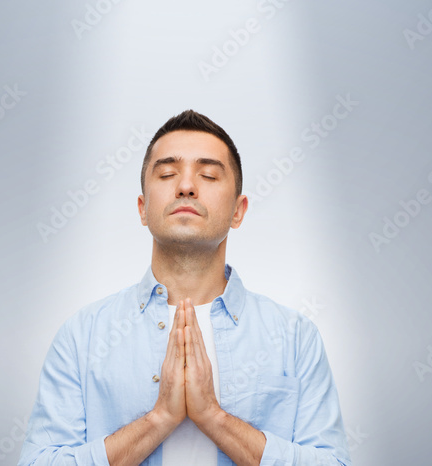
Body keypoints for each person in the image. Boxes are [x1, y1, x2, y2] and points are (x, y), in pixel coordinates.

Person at [18, 110, 351, 465]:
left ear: (238, 211)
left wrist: (214, 418)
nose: (186, 186)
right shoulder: (83, 336)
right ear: (143, 208)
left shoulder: (295, 338)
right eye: (167, 174)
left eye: (208, 175)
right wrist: (159, 419)